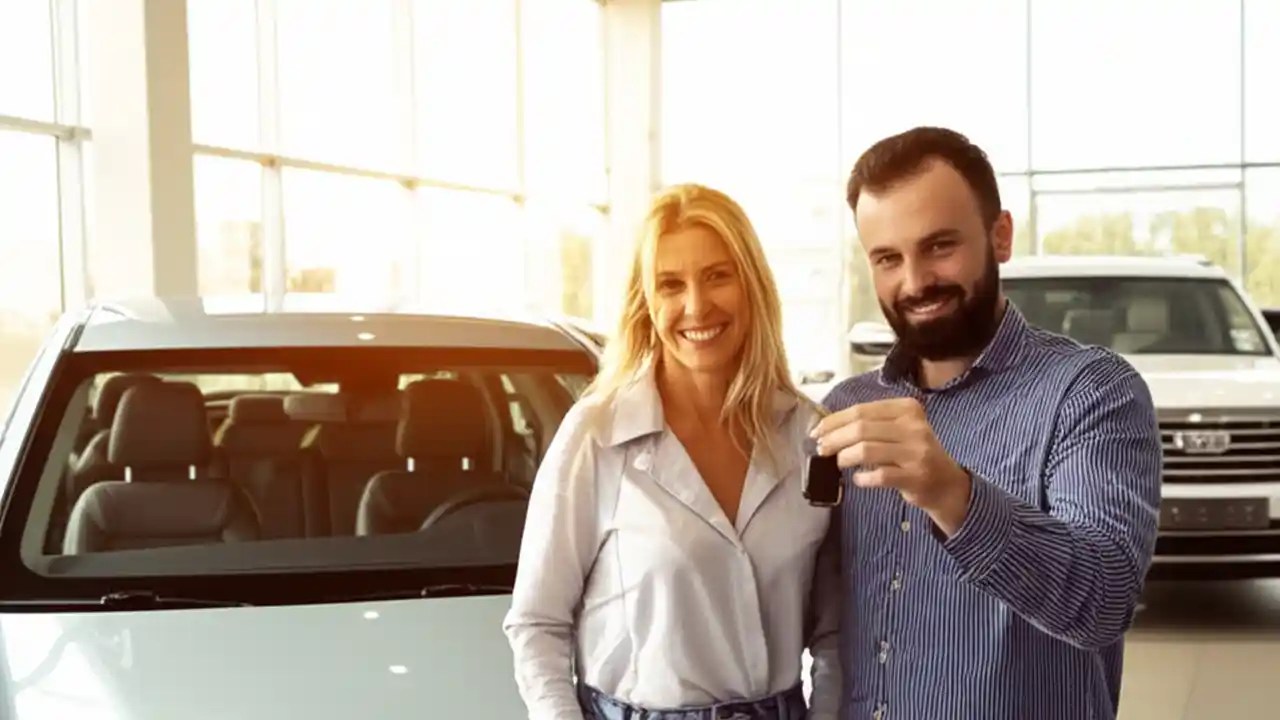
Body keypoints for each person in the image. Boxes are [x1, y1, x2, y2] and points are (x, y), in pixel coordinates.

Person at [811, 126, 1162, 720]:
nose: (915, 282)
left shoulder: (1092, 393)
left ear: (999, 237)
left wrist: (952, 494)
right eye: (888, 258)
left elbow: (1102, 600)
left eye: (940, 246)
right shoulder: (847, 407)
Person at [504, 183, 843, 719]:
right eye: (670, 284)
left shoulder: (807, 435)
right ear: (646, 302)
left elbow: (833, 629)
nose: (695, 306)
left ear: (751, 284)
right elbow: (537, 624)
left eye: (717, 276)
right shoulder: (597, 435)